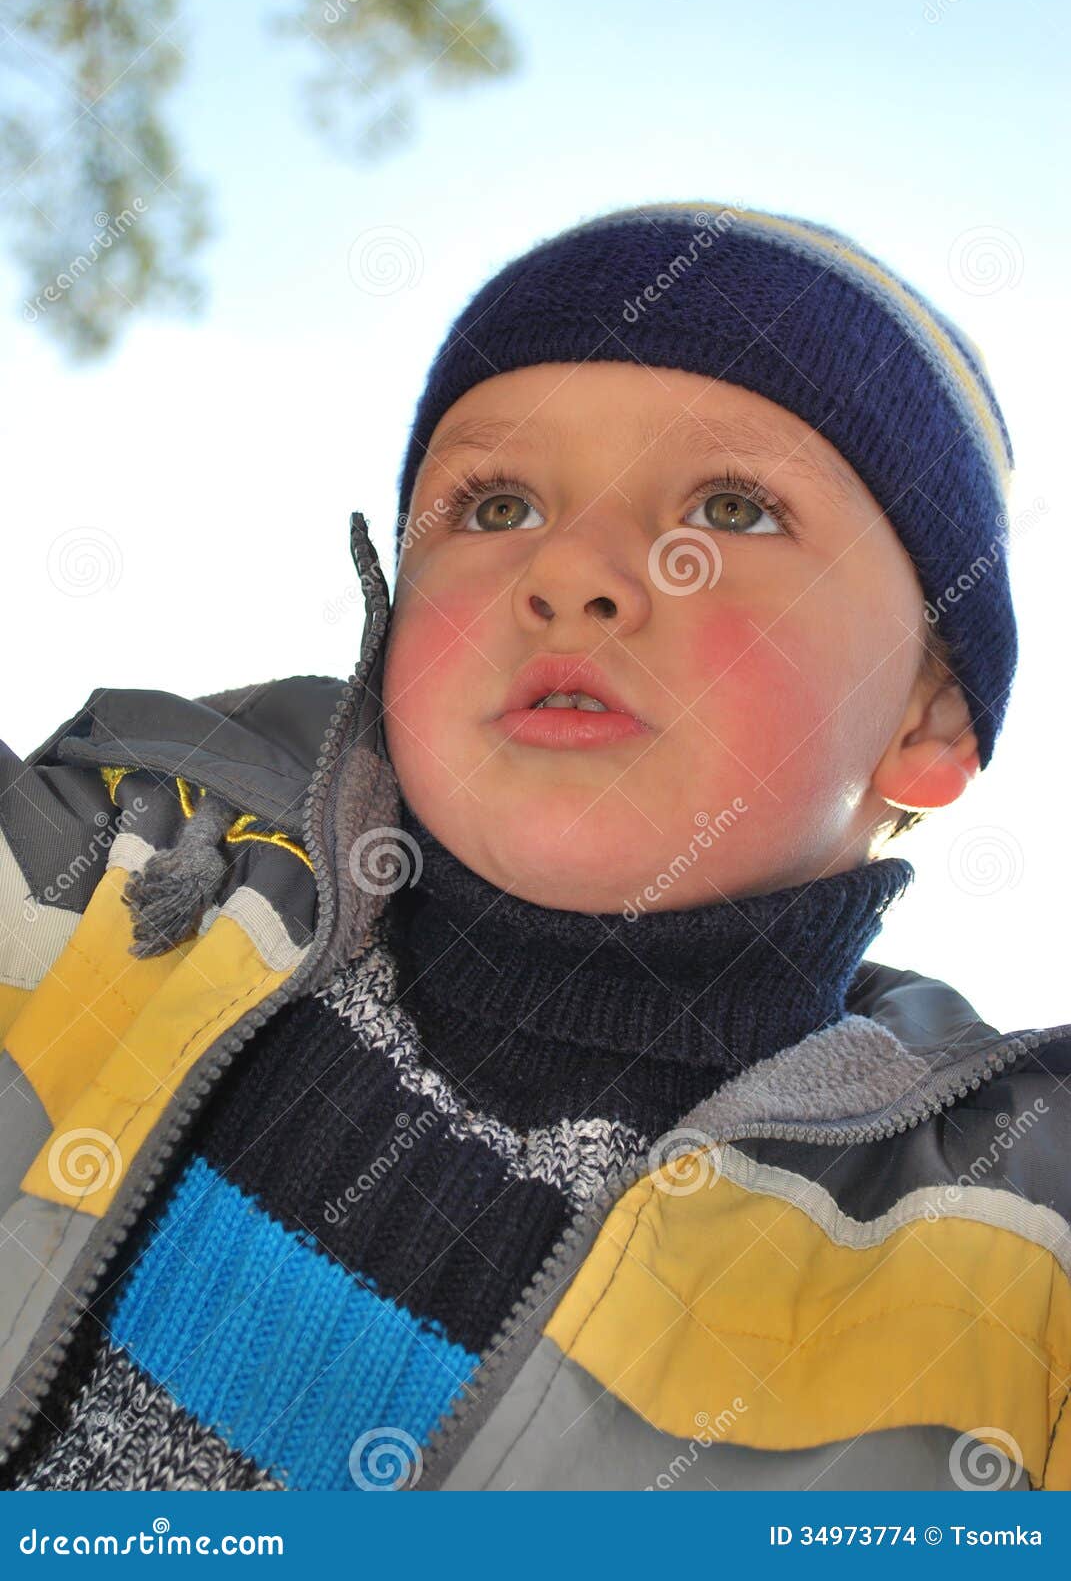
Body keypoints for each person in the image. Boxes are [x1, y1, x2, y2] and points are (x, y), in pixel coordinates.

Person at [1, 203, 1067, 1493]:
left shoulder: (1010, 1253)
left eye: (732, 508)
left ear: (932, 722)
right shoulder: (99, 883)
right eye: (496, 502)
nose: (571, 571)